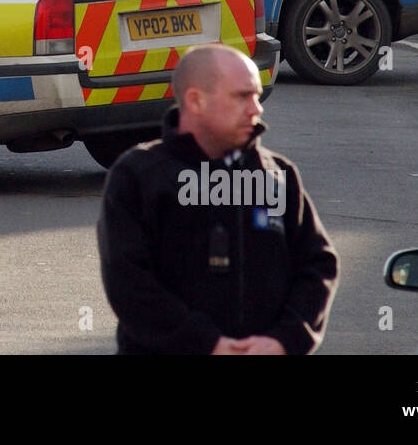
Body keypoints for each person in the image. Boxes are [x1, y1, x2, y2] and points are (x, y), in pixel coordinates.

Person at [96, 44, 339, 354]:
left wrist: (283, 340)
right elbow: (128, 281)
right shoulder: (138, 176)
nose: (256, 108)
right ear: (196, 100)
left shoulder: (278, 174)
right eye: (242, 96)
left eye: (256, 95)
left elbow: (318, 264)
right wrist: (206, 344)